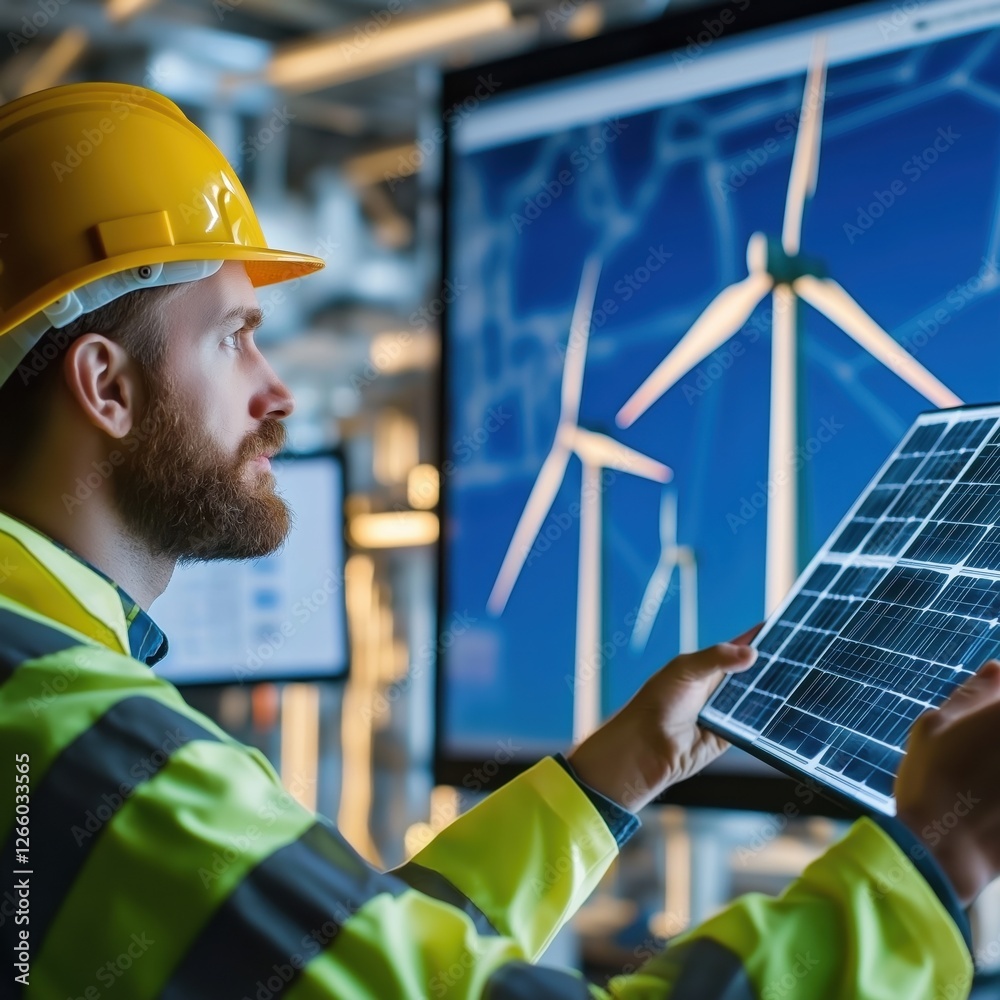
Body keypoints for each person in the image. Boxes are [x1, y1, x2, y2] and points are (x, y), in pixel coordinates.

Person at [0, 81, 995, 1000]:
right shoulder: (73, 736)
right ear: (106, 385)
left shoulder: (44, 697)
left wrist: (610, 777)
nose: (278, 390)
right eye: (234, 335)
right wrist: (925, 868)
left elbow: (341, 962)